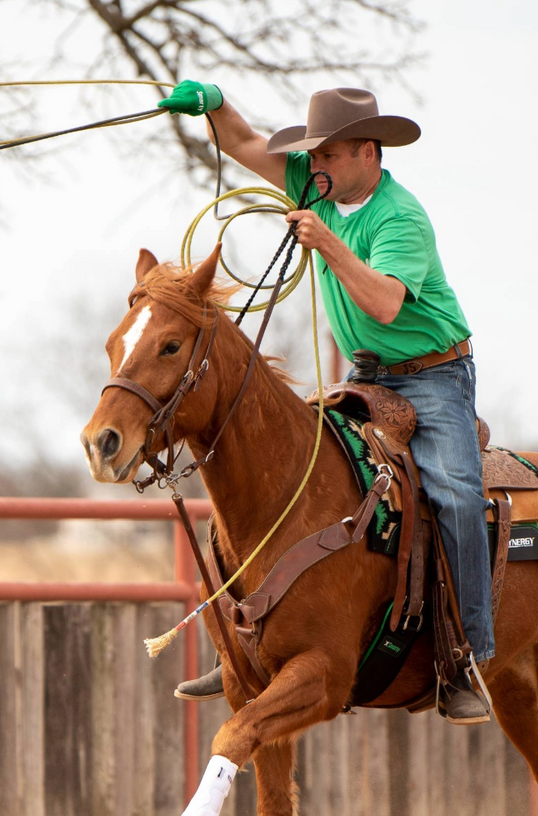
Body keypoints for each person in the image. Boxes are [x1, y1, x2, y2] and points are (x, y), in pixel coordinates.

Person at [158, 81, 493, 725]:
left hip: (433, 378)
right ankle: (240, 645)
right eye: (311, 158)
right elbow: (244, 142)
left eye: (328, 157)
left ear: (367, 152)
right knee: (275, 469)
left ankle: (465, 655)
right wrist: (213, 102)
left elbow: (386, 302)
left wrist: (327, 242)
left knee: (453, 492)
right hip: (369, 373)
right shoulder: (318, 186)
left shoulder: (400, 217)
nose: (314, 169)